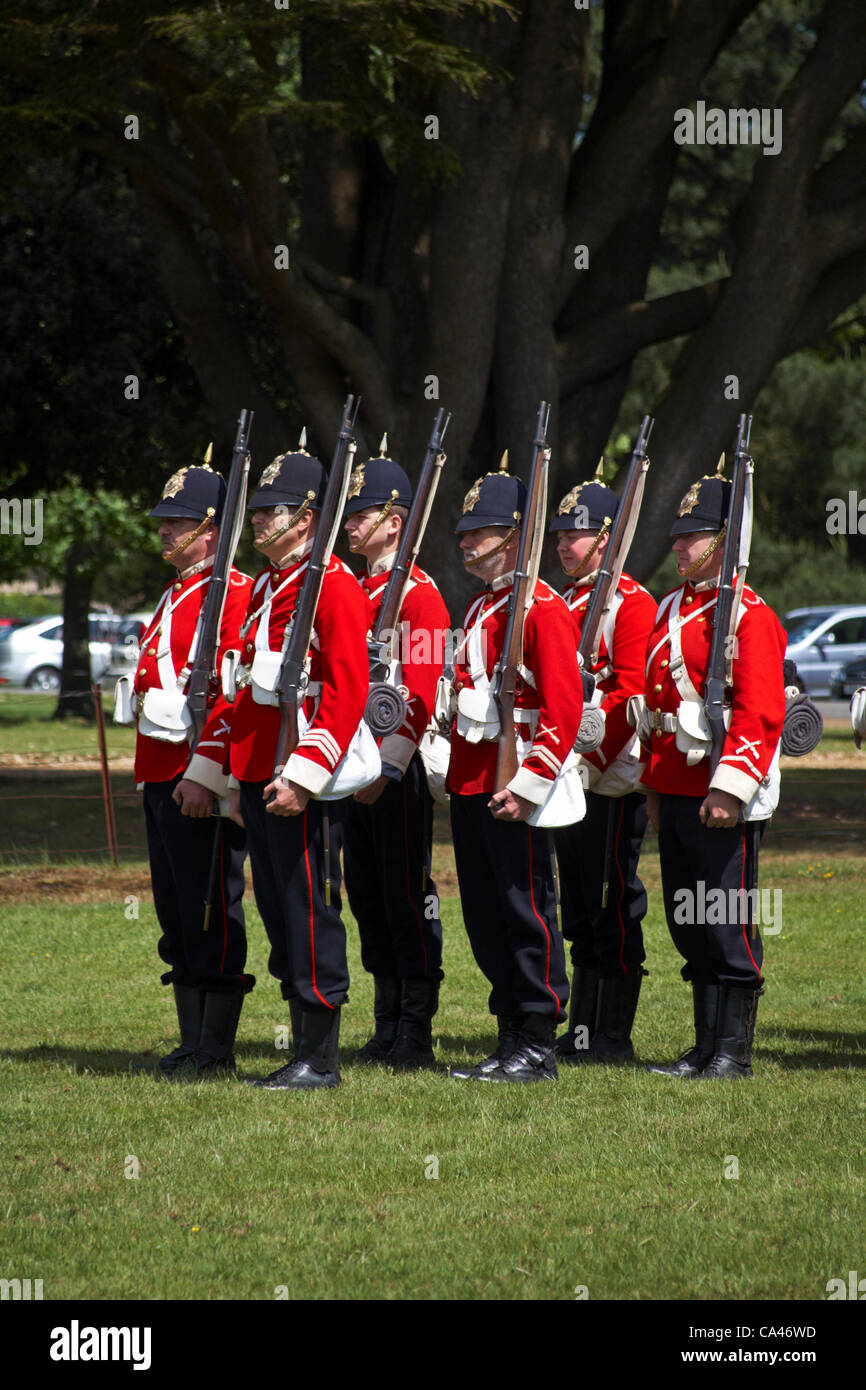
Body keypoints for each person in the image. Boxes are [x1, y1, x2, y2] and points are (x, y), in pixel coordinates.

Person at [227, 445, 370, 1090]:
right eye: (256, 512)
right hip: (261, 770)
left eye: (272, 512)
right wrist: (238, 776)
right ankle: (302, 1046)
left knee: (308, 907)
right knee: (279, 911)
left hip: (298, 773)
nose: (258, 523)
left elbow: (346, 689)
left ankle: (320, 1055)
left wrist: (305, 774)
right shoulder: (267, 586)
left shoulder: (333, 584)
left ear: (308, 516)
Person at [638, 471, 786, 1080]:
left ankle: (733, 1051)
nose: (679, 547)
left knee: (724, 919)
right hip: (673, 784)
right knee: (686, 918)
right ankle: (703, 1047)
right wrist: (651, 785)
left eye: (693, 537)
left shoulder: (749, 616)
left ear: (725, 541)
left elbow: (759, 710)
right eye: (677, 536)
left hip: (720, 791)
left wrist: (729, 789)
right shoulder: (673, 607)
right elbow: (655, 703)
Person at [447, 467, 583, 1082]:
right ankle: (508, 1032)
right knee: (484, 912)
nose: (468, 542)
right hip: (473, 779)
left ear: (515, 537)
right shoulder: (482, 605)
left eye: (483, 532)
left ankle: (537, 1037)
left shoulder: (543, 609)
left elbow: (563, 707)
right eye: (466, 532)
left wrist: (527, 785)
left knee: (526, 909)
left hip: (514, 783)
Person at [128, 462, 253, 1077]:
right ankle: (191, 1038)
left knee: (209, 905)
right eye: (163, 521)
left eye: (177, 522)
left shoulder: (233, 591)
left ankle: (216, 1047)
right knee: (175, 907)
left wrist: (208, 772)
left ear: (211, 528)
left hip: (197, 770)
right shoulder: (177, 591)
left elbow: (234, 691)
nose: (164, 532)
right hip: (159, 765)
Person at [341, 447, 450, 1069]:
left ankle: (414, 1030)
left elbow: (423, 686)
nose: (351, 524)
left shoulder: (419, 595)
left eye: (362, 514)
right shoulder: (360, 587)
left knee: (406, 896)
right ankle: (384, 1024)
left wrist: (386, 767)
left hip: (393, 770)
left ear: (394, 519)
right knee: (367, 895)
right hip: (351, 764)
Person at [549, 477, 656, 1063]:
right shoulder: (565, 601)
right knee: (580, 902)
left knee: (612, 900)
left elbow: (628, 693)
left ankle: (612, 1036)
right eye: (561, 535)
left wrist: (576, 757)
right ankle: (583, 1031)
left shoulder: (631, 604)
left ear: (608, 538)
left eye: (578, 534)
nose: (565, 545)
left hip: (607, 779)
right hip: (565, 778)